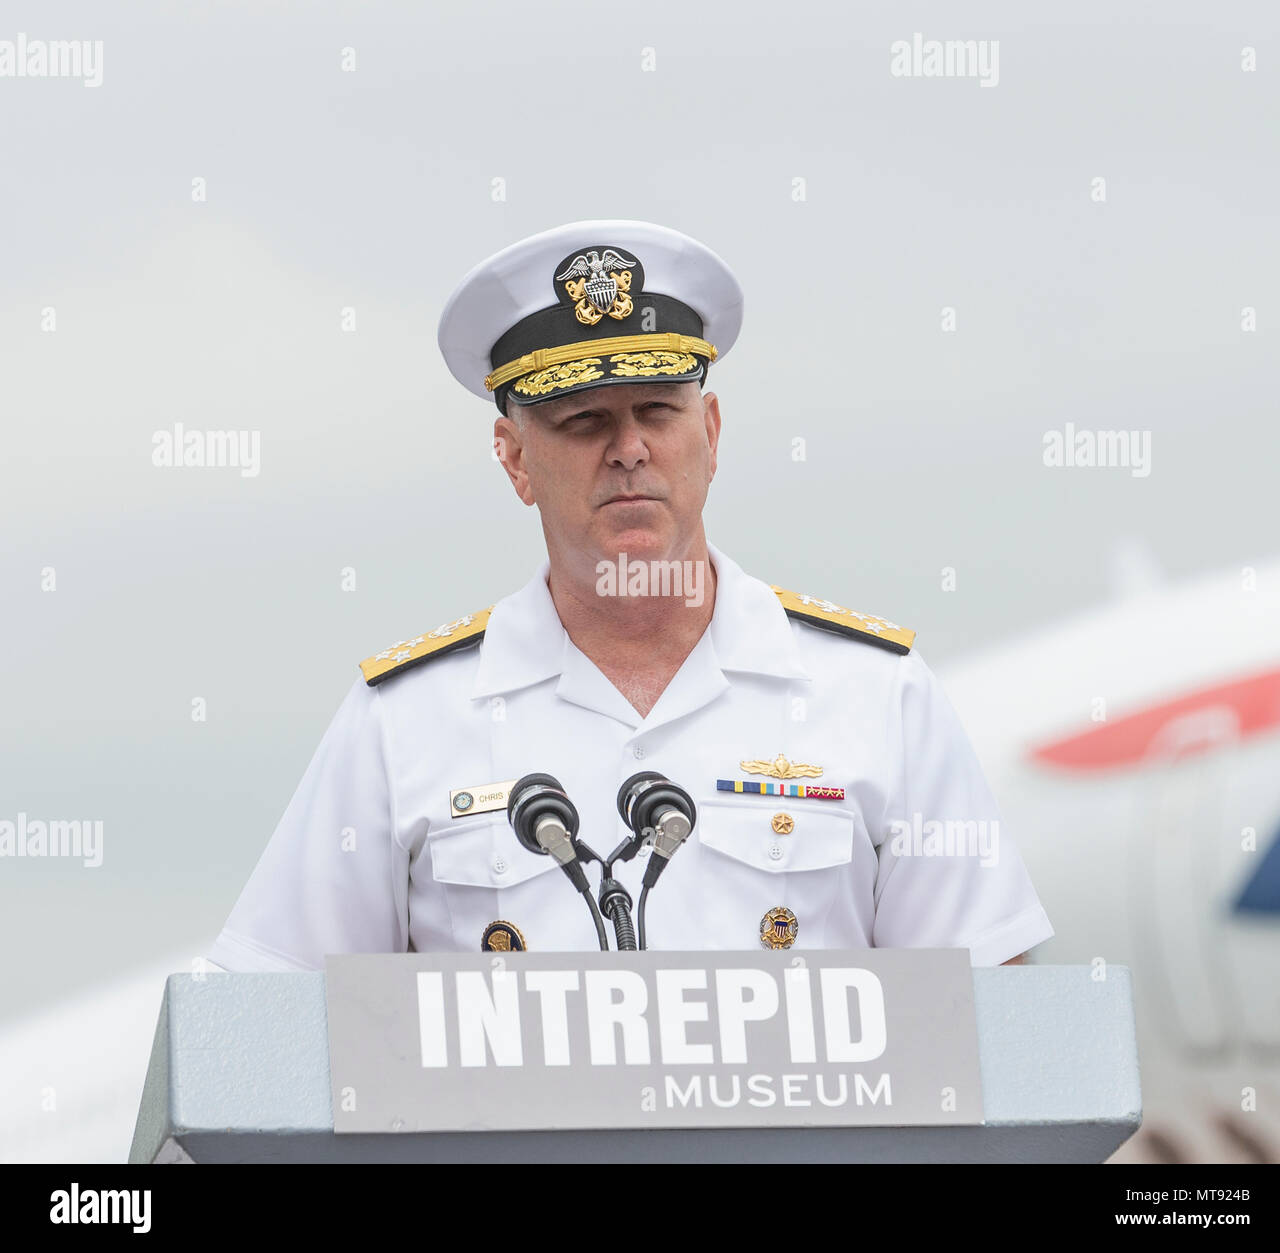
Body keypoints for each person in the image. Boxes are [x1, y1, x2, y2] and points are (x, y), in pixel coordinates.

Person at [207, 219, 1052, 970]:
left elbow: (991, 1023)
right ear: (514, 458)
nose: (629, 449)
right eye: (583, 420)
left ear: (710, 433)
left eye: (657, 409)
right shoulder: (403, 724)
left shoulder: (876, 696)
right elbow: (273, 1014)